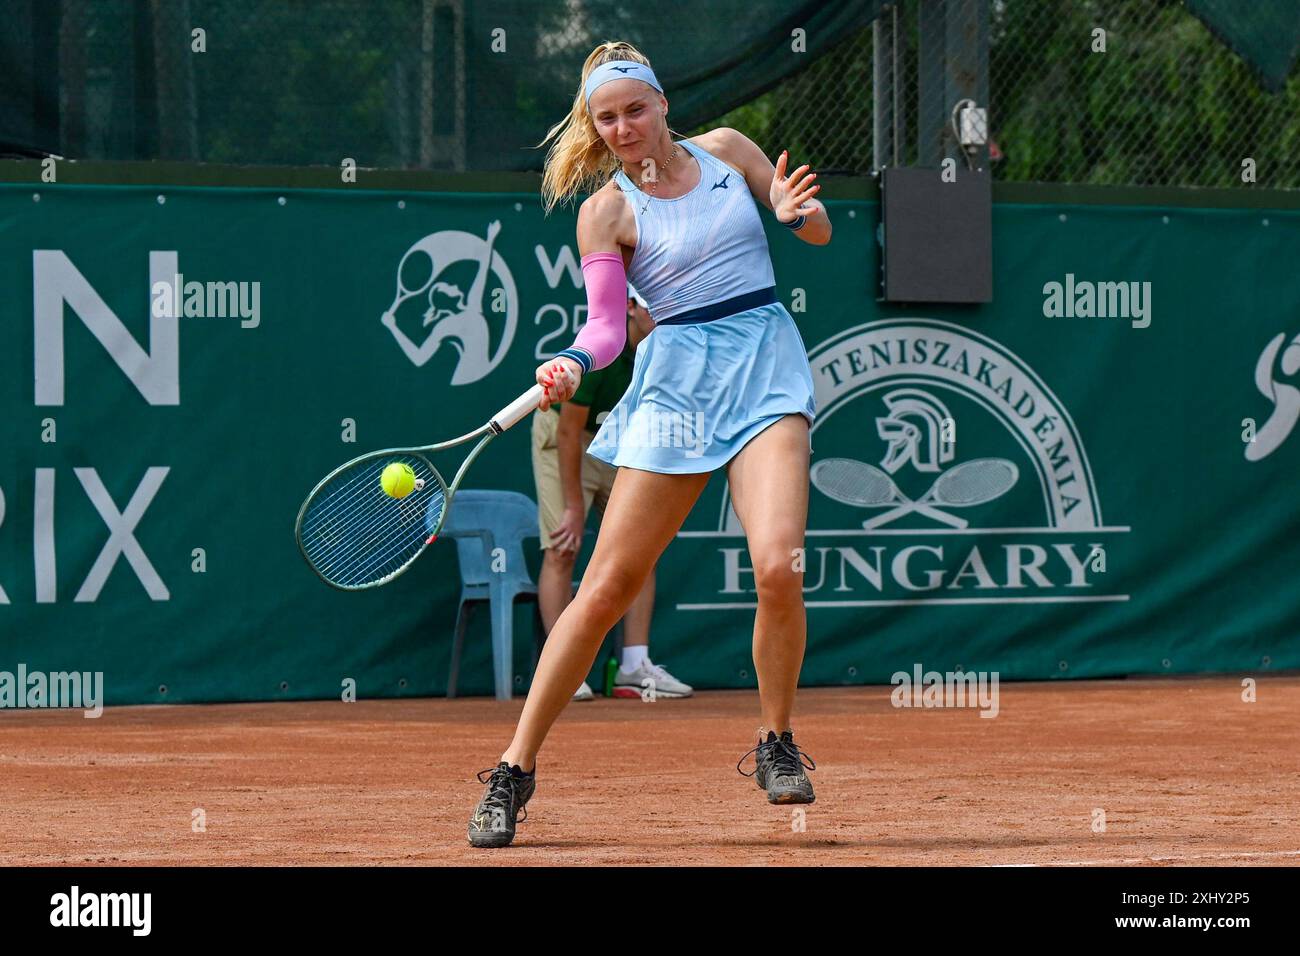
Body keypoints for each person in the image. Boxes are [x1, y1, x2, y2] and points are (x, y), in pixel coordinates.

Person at [468, 41, 830, 849]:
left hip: (766, 370)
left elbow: (816, 233)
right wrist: (571, 359)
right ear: (595, 129)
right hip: (675, 389)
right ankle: (513, 770)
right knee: (602, 594)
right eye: (607, 117)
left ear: (664, 103)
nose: (624, 126)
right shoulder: (606, 211)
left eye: (636, 108)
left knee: (778, 563)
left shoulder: (731, 150)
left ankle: (775, 742)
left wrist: (795, 213)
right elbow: (604, 329)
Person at [530, 284, 693, 701]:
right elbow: (568, 431)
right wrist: (573, 507)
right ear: (631, 308)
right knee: (562, 548)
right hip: (568, 440)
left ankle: (635, 665)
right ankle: (563, 671)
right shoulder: (602, 353)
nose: (663, 314)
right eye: (654, 307)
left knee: (641, 547)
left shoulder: (665, 348)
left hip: (617, 441)